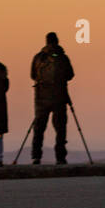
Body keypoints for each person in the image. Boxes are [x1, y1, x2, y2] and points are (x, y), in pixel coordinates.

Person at [30, 31, 74, 165]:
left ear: (46, 42)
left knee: (39, 128)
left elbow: (32, 75)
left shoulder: (38, 58)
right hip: (59, 97)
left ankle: (36, 156)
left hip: (41, 97)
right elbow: (70, 75)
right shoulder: (63, 57)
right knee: (60, 128)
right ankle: (60, 157)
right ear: (57, 41)